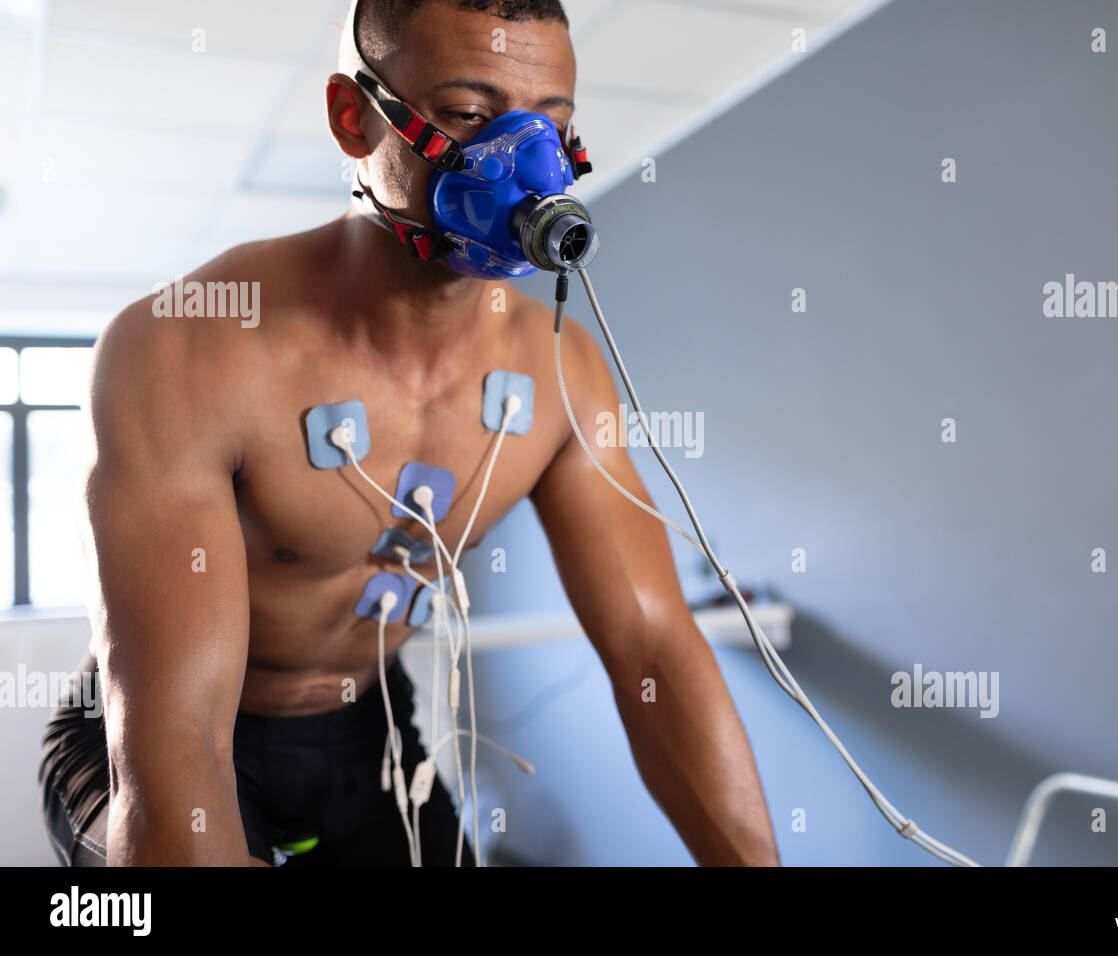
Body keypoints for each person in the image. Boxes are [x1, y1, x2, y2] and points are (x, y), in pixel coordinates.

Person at [39, 0, 780, 867]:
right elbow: (173, 751)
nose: (530, 167)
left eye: (552, 127)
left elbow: (653, 648)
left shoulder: (559, 373)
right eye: (469, 115)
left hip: (365, 730)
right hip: (160, 732)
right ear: (354, 118)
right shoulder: (185, 349)